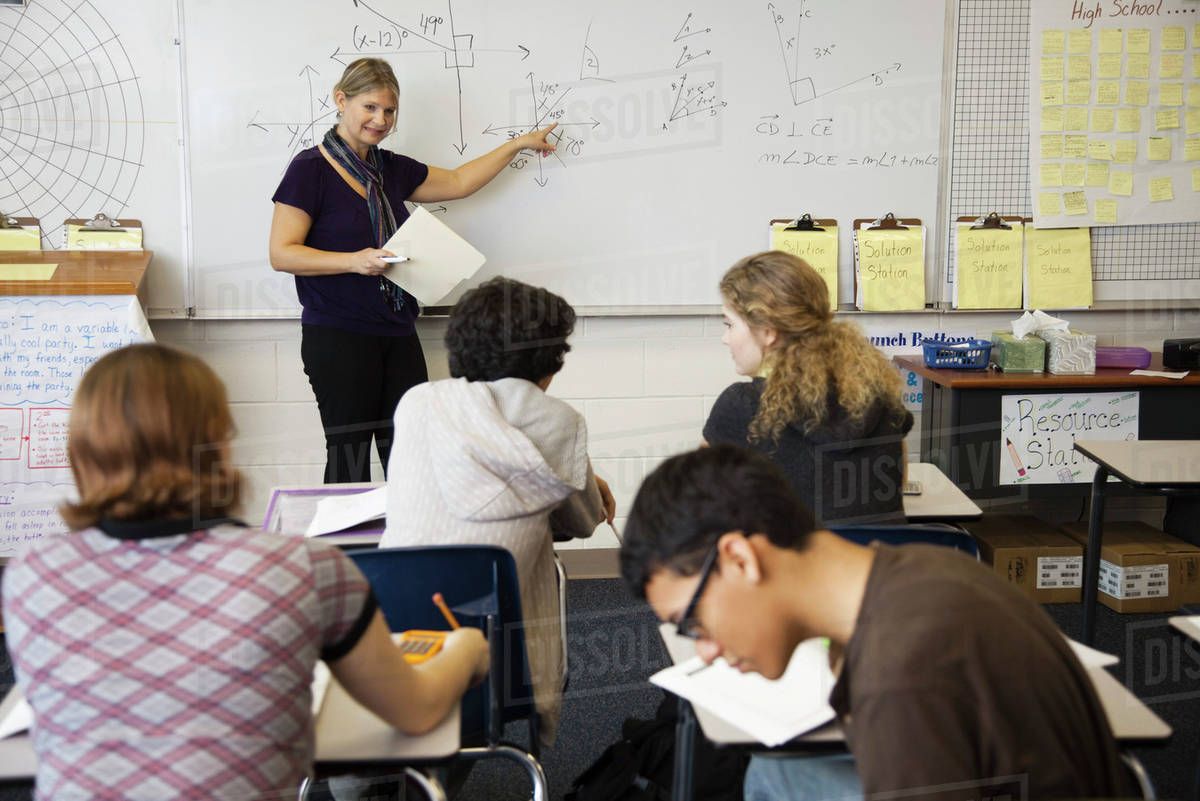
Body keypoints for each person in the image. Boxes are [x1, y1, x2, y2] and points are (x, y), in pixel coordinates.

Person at [1, 344, 489, 800]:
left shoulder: (32, 576)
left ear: (83, 449)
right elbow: (417, 711)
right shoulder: (304, 568)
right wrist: (467, 648)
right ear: (217, 440)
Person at [620, 444, 1133, 801]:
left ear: (739, 560)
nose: (704, 651)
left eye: (691, 622)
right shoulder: (925, 570)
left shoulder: (902, 676)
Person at [269, 57, 559, 483]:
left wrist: (517, 145)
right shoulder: (309, 169)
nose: (380, 119)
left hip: (397, 332)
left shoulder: (390, 169)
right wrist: (355, 261)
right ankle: (345, 552)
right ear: (340, 100)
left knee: (410, 454)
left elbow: (460, 182)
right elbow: (282, 253)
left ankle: (404, 547)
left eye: (389, 111)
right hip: (337, 335)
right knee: (348, 458)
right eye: (370, 107)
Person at [380, 276, 615, 746]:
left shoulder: (418, 403)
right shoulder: (559, 420)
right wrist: (584, 477)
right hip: (500, 654)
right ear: (551, 358)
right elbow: (582, 522)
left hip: (390, 637)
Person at [704, 250, 912, 524]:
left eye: (729, 324)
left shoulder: (740, 404)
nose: (725, 338)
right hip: (875, 563)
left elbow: (699, 501)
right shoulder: (875, 392)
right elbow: (899, 484)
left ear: (767, 332)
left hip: (792, 566)